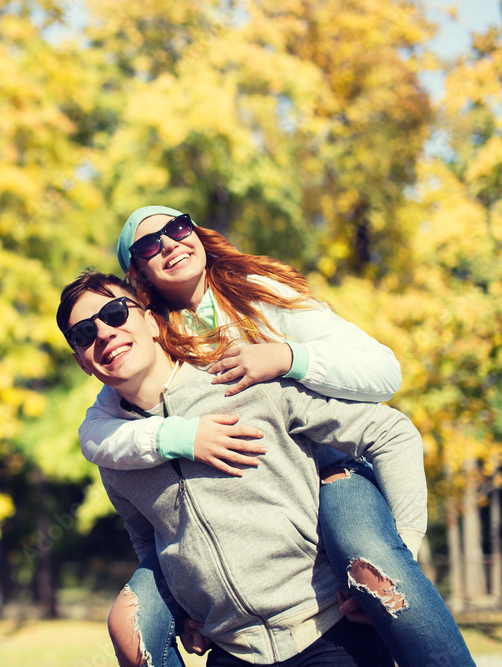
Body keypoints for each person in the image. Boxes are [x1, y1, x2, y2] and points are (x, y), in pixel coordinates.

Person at [81, 206, 474, 667]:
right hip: (245, 498)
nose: (169, 244)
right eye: (149, 245)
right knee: (132, 621)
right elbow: (96, 433)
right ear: (139, 275)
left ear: (196, 232)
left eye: (177, 228)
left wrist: (287, 357)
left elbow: (384, 375)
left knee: (380, 567)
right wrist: (182, 435)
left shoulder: (260, 292)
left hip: (330, 469)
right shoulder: (147, 336)